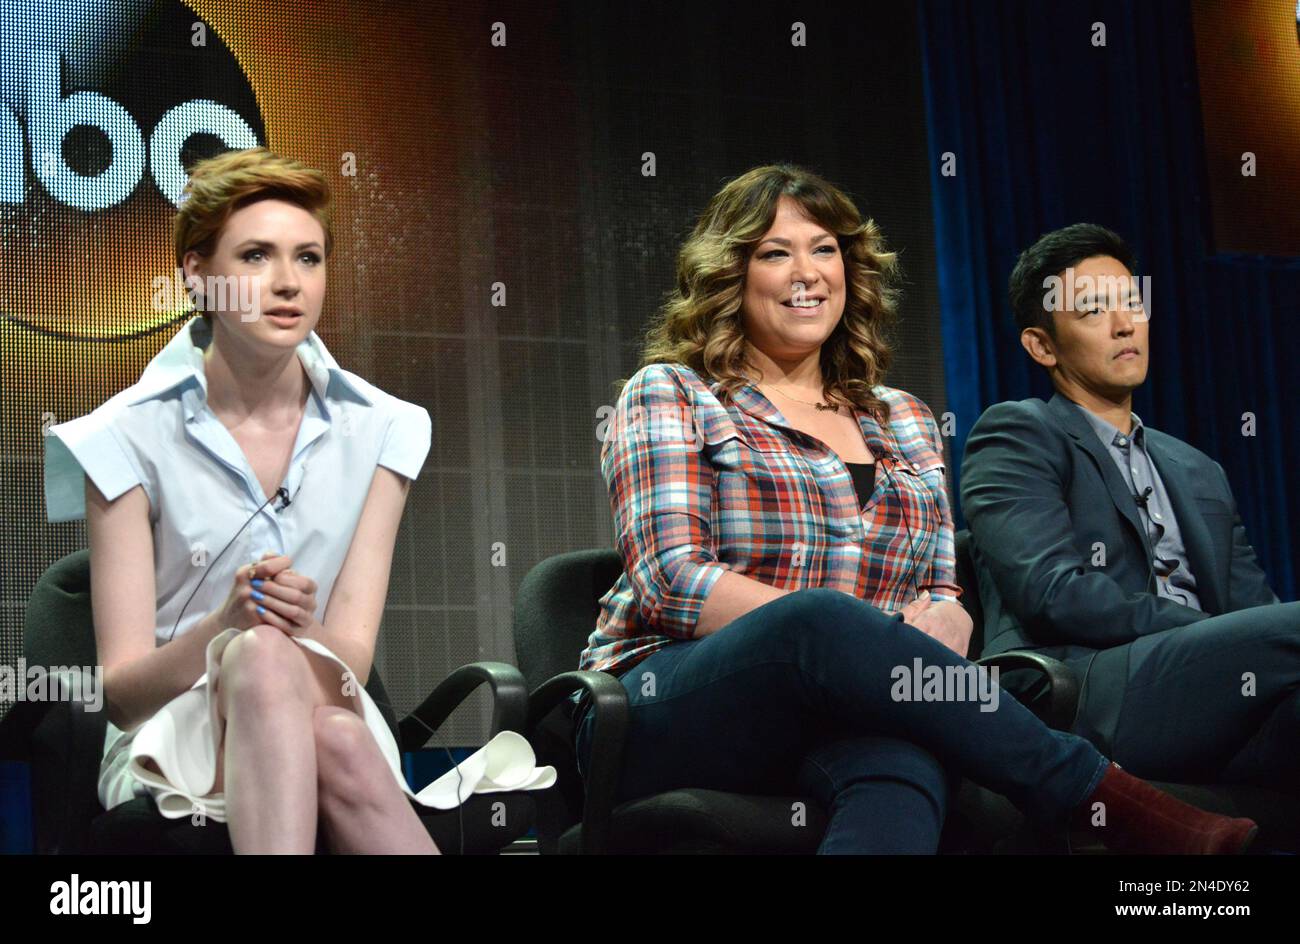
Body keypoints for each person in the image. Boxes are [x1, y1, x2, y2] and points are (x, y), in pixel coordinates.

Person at [573, 166, 1257, 854]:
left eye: (824, 248)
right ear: (732, 274)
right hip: (665, 698)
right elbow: (675, 582)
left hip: (844, 712)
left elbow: (942, 593)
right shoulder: (673, 393)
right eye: (775, 253)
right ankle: (1101, 796)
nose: (806, 272)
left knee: (899, 768)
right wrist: (870, 629)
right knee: (820, 619)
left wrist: (939, 618)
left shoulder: (904, 418)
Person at [43, 147, 440, 853]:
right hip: (175, 730)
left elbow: (350, 654)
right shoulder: (120, 435)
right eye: (256, 256)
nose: (288, 283)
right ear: (196, 276)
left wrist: (293, 629)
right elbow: (125, 695)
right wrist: (224, 627)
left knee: (312, 704)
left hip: (324, 697)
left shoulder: (388, 428)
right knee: (278, 679)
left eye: (309, 258)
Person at [960, 223, 1300, 794]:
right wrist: (1212, 634)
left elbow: (1253, 607)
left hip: (1216, 693)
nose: (1124, 325)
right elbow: (1053, 593)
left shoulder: (1196, 468)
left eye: (1131, 305)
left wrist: (1236, 637)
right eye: (1093, 311)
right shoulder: (1017, 434)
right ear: (1042, 345)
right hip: (1093, 690)